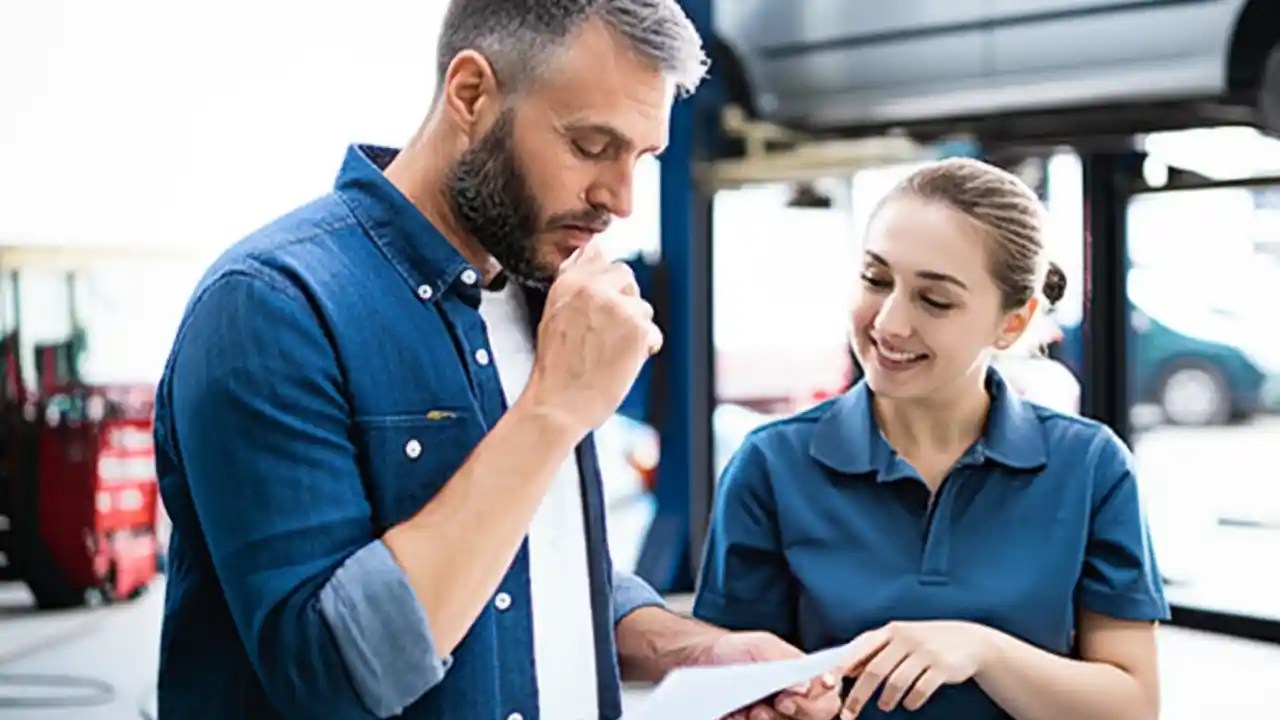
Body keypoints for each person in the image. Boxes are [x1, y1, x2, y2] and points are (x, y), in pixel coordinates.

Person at [152, 1, 843, 718]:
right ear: (472, 95)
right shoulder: (271, 307)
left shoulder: (543, 296)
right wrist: (550, 412)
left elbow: (527, 564)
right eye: (590, 145)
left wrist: (692, 651)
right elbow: (332, 675)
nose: (622, 199)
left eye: (642, 156)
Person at [693, 158, 1169, 720]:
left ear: (1011, 324)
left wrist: (982, 649)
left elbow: (1132, 706)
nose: (890, 324)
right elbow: (731, 689)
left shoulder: (1091, 467)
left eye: (935, 300)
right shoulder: (771, 465)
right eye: (876, 279)